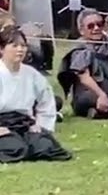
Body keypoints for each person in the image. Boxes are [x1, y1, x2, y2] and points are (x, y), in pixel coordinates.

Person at [0, 27, 71, 163]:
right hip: (2, 122)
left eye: (23, 46)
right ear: (2, 49)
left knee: (44, 147)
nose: (20, 50)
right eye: (14, 46)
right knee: (15, 149)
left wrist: (41, 125)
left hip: (24, 122)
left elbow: (46, 101)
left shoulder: (31, 74)